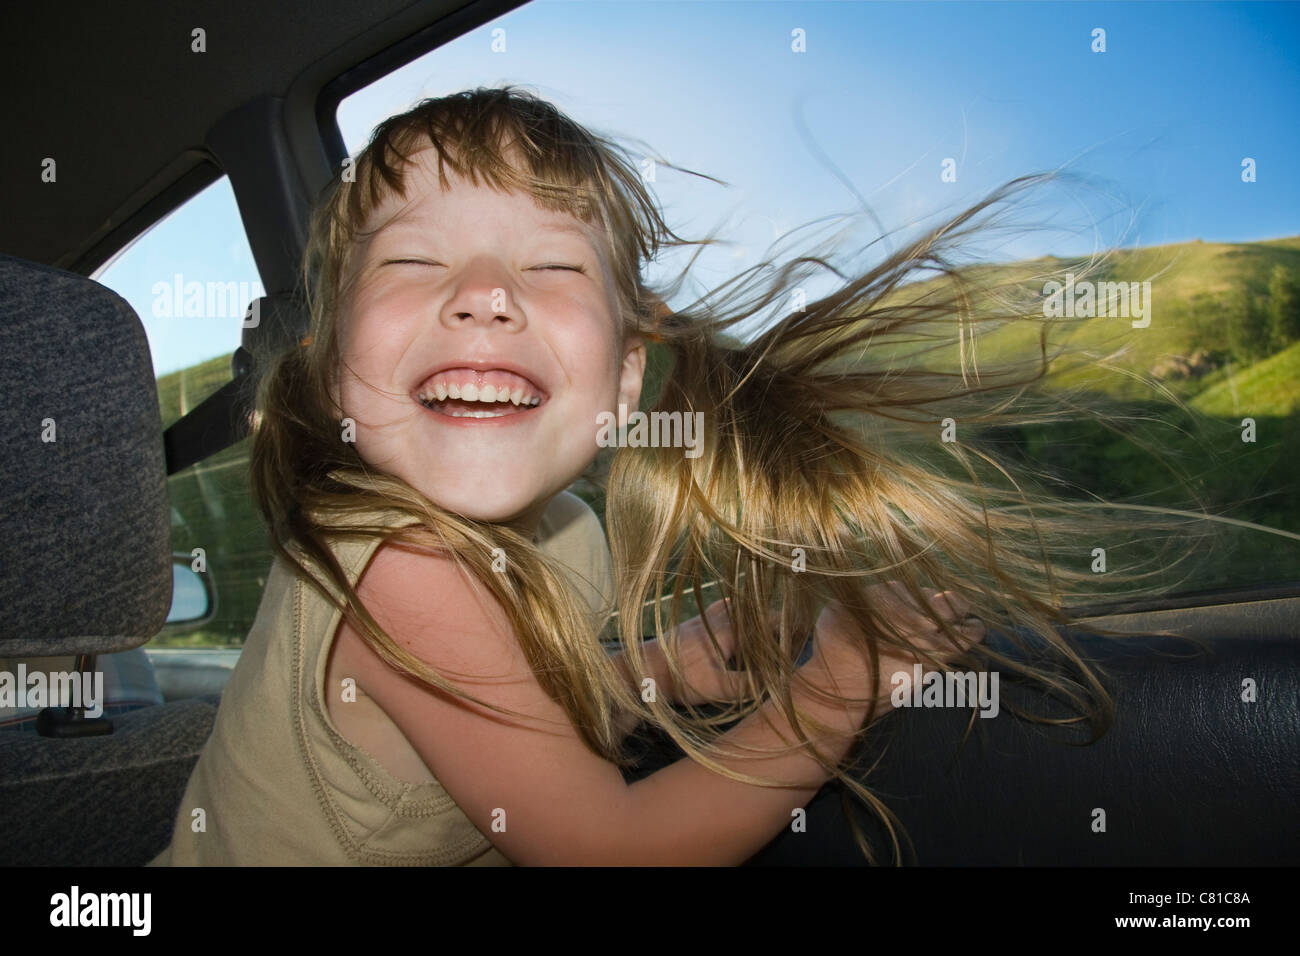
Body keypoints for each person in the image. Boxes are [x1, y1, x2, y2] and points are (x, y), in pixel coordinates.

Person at [151, 86, 1207, 866]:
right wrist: (834, 682)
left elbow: (510, 731)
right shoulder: (400, 562)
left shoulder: (567, 531)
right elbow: (607, 849)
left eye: (551, 265)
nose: (482, 295)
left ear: (619, 384)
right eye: (414, 260)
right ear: (337, 363)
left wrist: (663, 664)